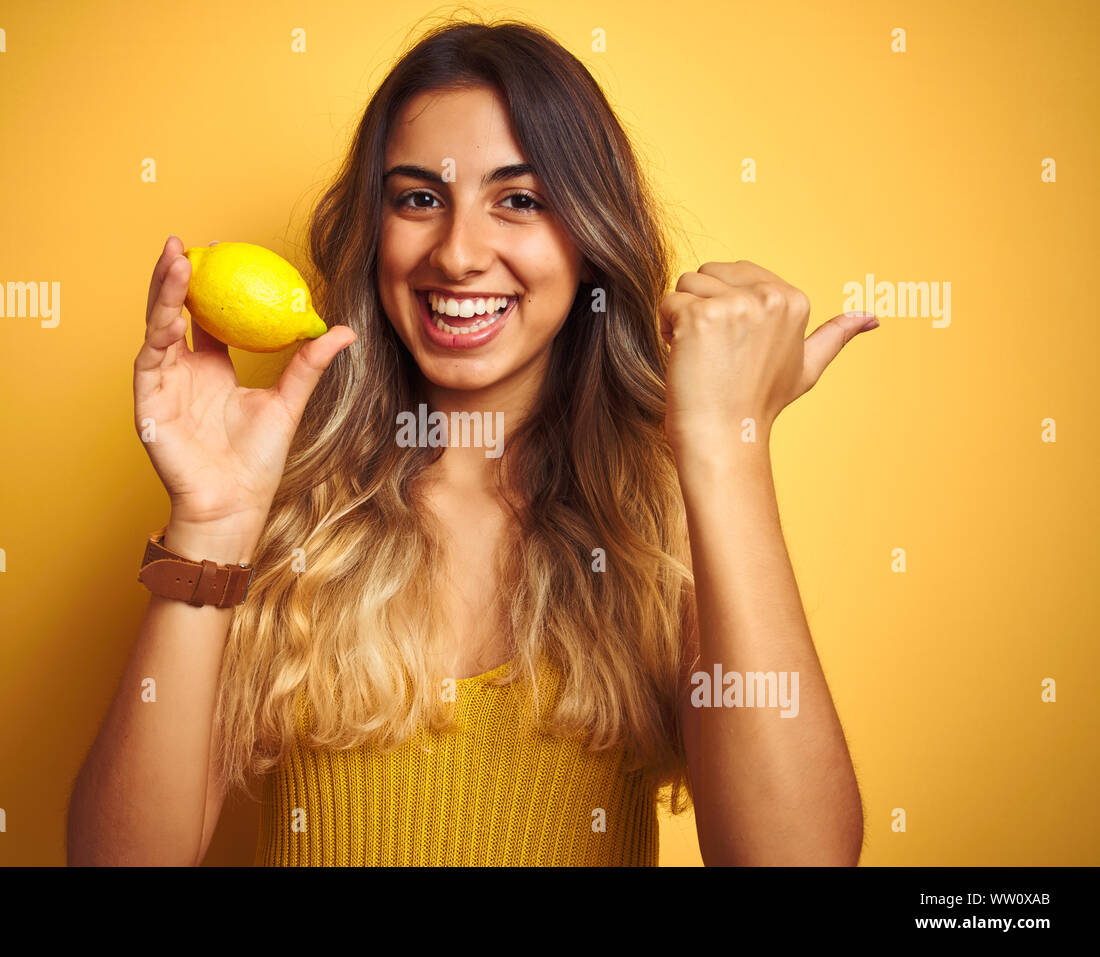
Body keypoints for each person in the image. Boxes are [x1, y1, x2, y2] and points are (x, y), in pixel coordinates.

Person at [67, 17, 872, 867]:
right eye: (418, 198)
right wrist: (211, 522)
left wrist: (726, 441)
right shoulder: (286, 502)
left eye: (518, 200)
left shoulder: (662, 513)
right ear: (373, 233)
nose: (456, 254)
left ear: (591, 240)